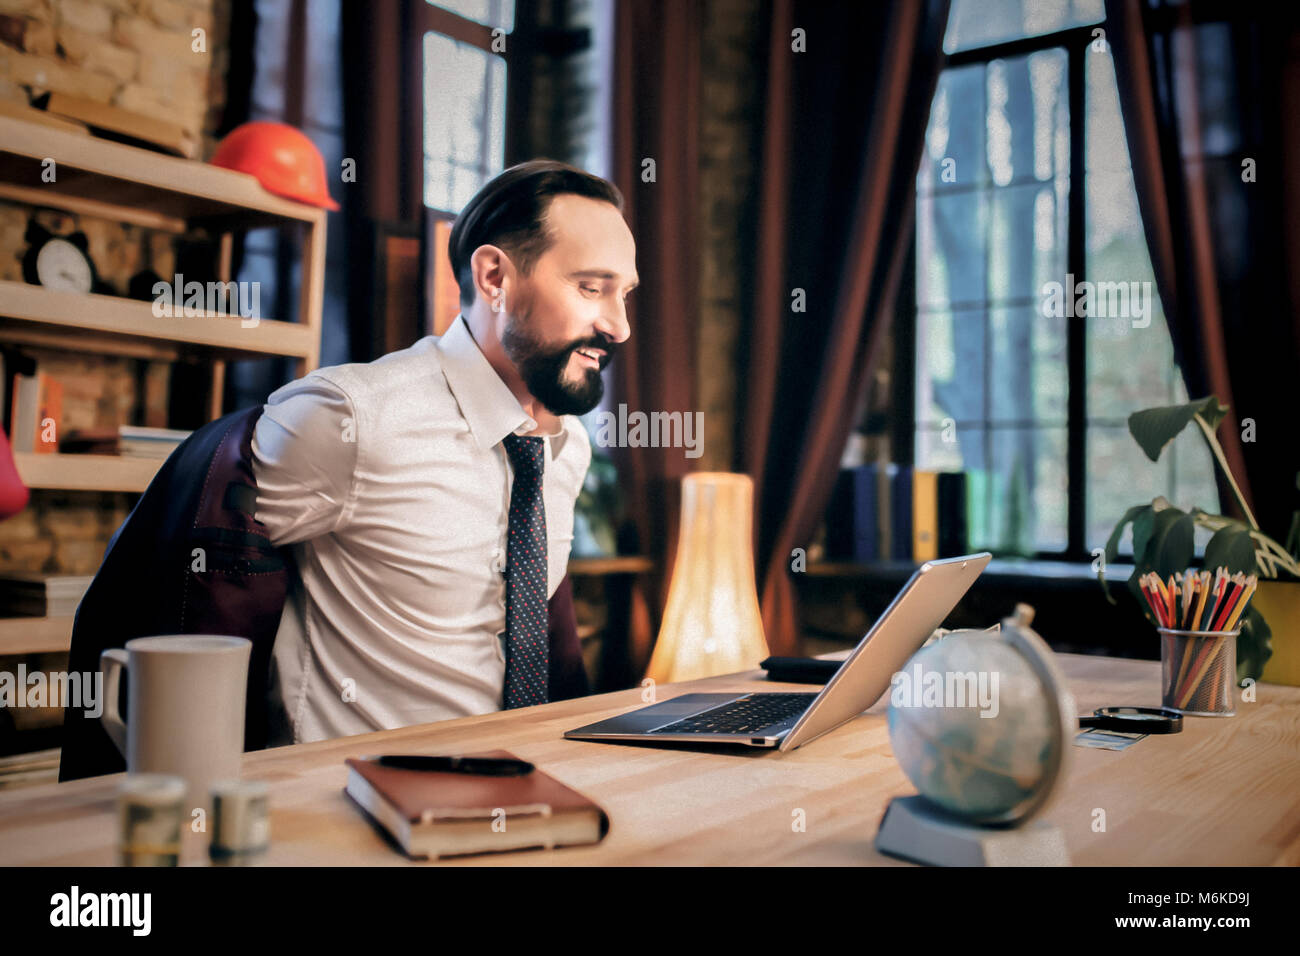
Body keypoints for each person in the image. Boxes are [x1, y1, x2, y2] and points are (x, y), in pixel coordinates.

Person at [253, 159, 638, 744]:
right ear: (494, 279)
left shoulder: (568, 446)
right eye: (591, 287)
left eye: (625, 295)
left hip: (531, 791)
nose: (619, 326)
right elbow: (184, 589)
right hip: (350, 808)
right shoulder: (349, 419)